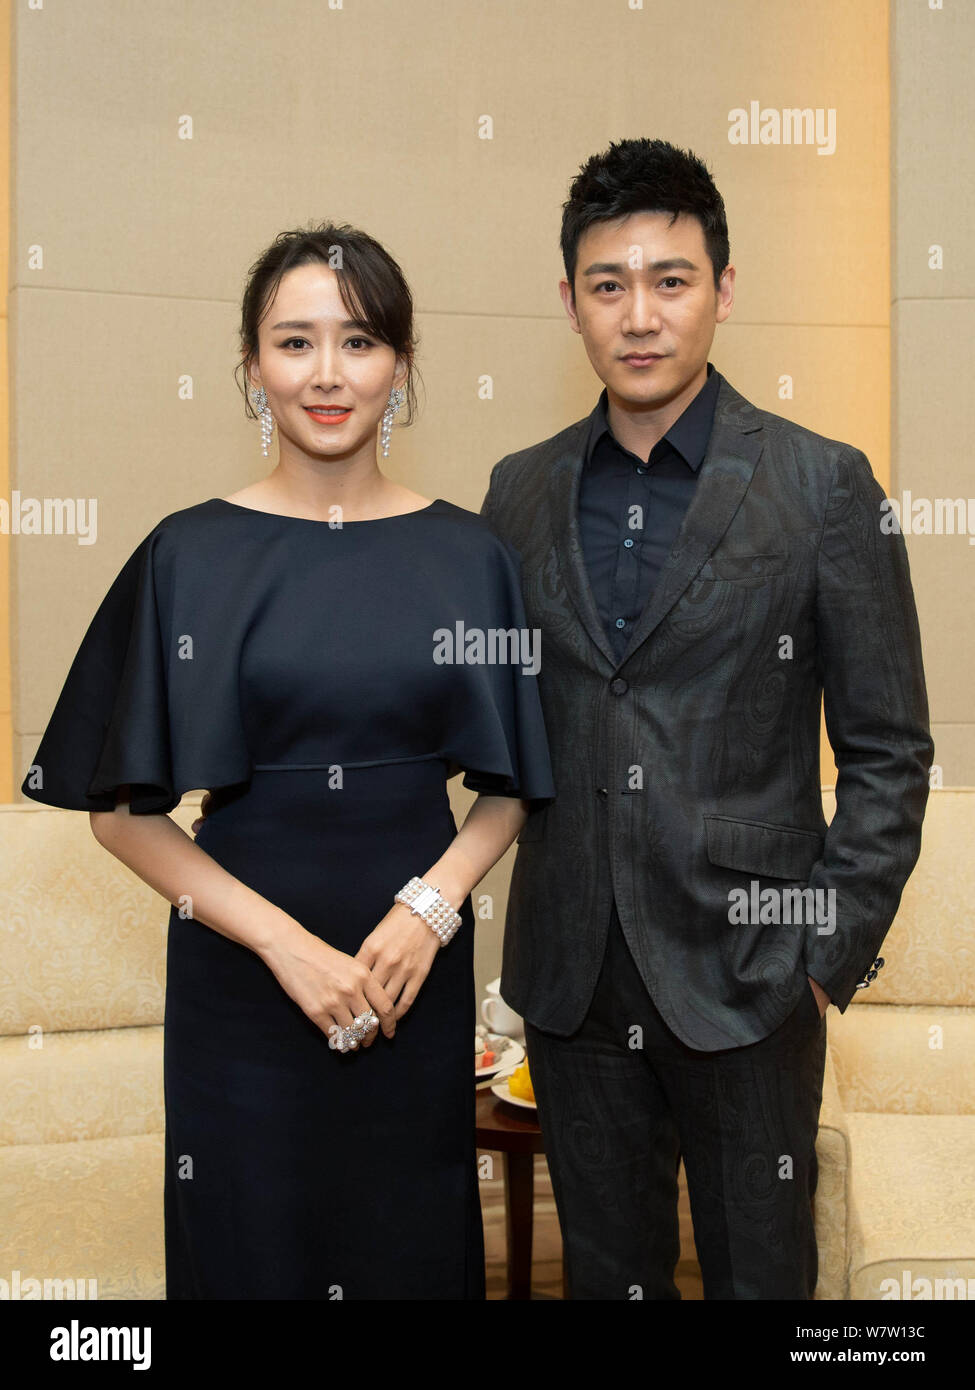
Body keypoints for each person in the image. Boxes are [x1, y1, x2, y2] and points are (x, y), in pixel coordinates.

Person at [20, 221, 554, 1300]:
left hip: (408, 975)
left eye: (358, 343)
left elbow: (513, 785)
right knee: (249, 1251)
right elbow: (119, 811)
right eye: (294, 342)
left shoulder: (470, 556)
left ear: (401, 366)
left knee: (405, 1249)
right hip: (243, 990)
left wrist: (430, 910)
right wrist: (284, 947)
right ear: (252, 367)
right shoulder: (189, 553)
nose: (326, 373)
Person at [480, 139, 933, 1299]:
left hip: (754, 970)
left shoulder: (825, 485)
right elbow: (494, 720)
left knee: (760, 1280)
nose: (641, 315)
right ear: (570, 301)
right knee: (607, 1277)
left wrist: (823, 958)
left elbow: (889, 750)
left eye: (671, 280)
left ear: (723, 290)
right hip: (573, 975)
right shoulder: (516, 490)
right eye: (608, 284)